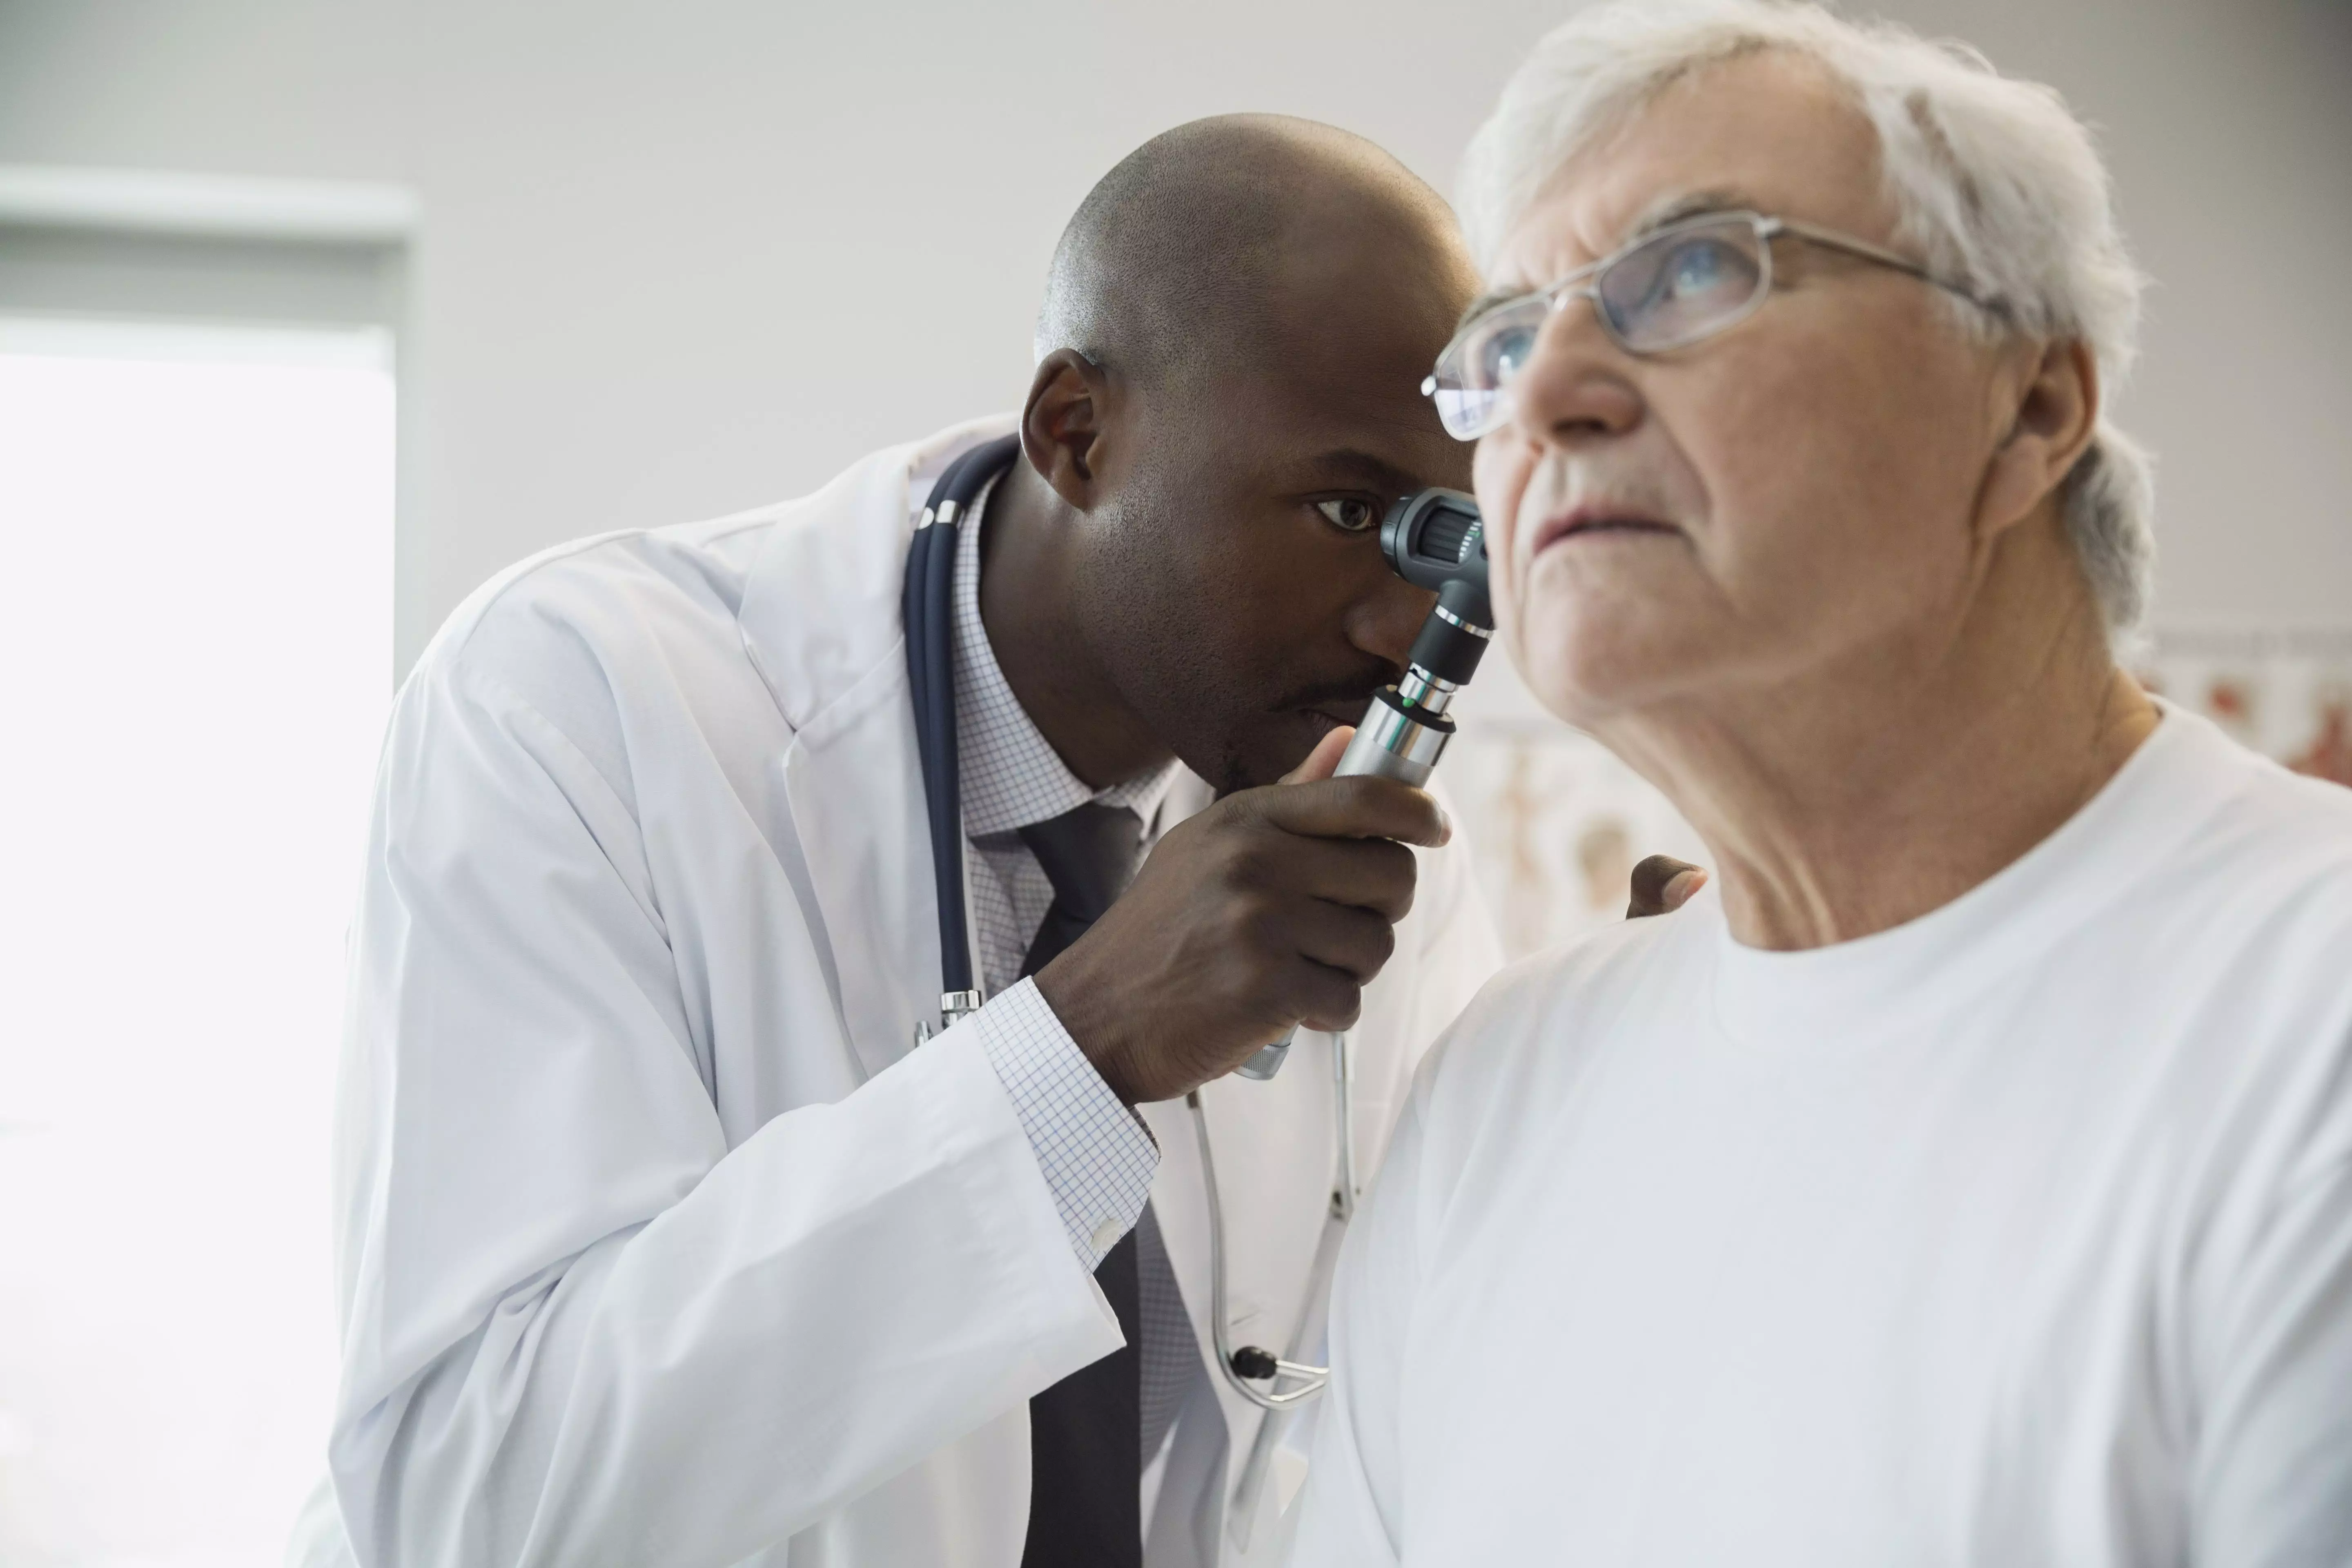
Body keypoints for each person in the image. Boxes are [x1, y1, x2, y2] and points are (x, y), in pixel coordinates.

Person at [298, 115, 1689, 1568]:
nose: (1399, 624)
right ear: (1077, 435)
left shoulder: (1368, 834)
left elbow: (1416, 1425)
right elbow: (472, 1495)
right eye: (1345, 509)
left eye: (1434, 534)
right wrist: (1082, 1053)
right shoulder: (576, 706)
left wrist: (1613, 1145)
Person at [1288, 4, 2352, 1564]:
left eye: (1699, 271)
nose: (1552, 394)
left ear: (2031, 405)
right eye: (1506, 343)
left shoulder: (2307, 1025)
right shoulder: (1494, 1097)